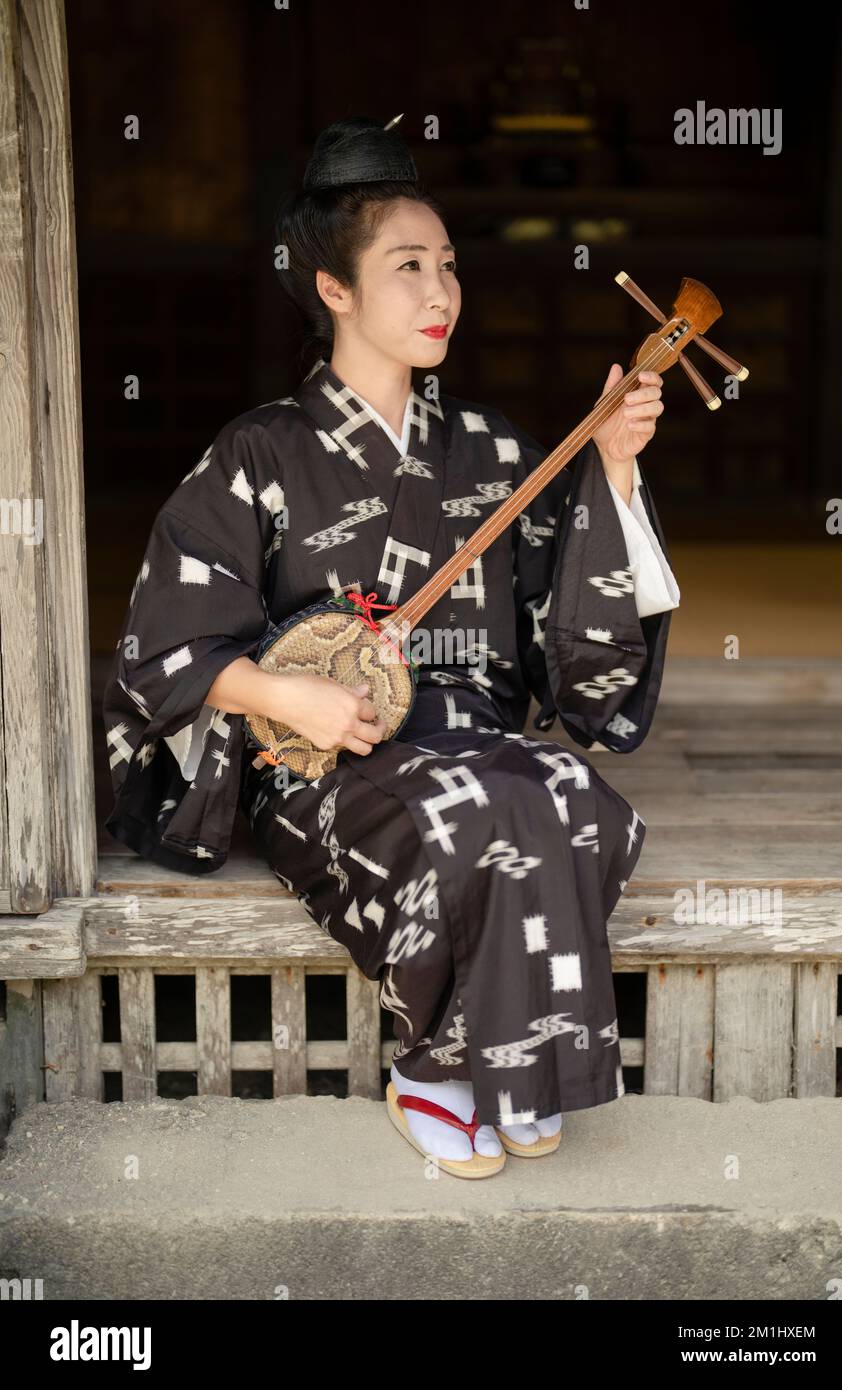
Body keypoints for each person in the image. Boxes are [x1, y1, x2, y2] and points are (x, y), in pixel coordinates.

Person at [103, 114, 679, 1179]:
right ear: (335, 289)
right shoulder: (259, 450)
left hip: (472, 737)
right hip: (331, 761)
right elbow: (161, 648)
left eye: (449, 266)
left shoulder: (497, 448)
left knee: (558, 785)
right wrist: (288, 695)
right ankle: (439, 1067)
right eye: (407, 267)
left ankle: (515, 1059)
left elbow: (573, 644)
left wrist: (609, 471)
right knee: (467, 812)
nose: (440, 293)